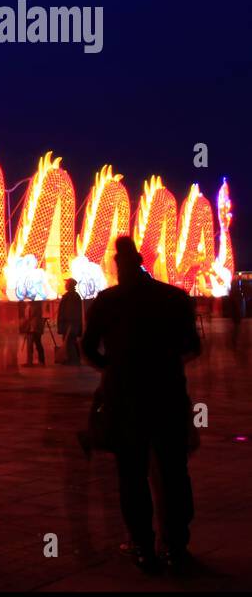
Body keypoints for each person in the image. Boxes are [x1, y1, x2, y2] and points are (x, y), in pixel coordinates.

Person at [82, 236, 201, 573]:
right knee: (174, 472)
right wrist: (166, 365)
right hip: (168, 396)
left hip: (126, 399)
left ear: (119, 266)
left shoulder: (108, 301)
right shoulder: (175, 298)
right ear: (141, 263)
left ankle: (142, 545)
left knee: (132, 474)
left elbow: (88, 348)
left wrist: (113, 368)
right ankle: (176, 546)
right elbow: (193, 346)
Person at [57, 278, 84, 366]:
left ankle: (72, 360)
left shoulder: (71, 296)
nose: (65, 285)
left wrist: (69, 324)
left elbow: (69, 312)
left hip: (70, 324)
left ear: (70, 285)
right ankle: (74, 359)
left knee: (69, 341)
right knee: (71, 341)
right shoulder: (73, 295)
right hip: (71, 324)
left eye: (67, 284)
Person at [21, 300, 47, 366]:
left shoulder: (34, 306)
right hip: (33, 328)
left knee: (34, 345)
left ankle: (33, 361)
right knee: (36, 344)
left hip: (33, 328)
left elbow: (29, 317)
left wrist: (26, 324)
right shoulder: (31, 306)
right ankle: (39, 361)